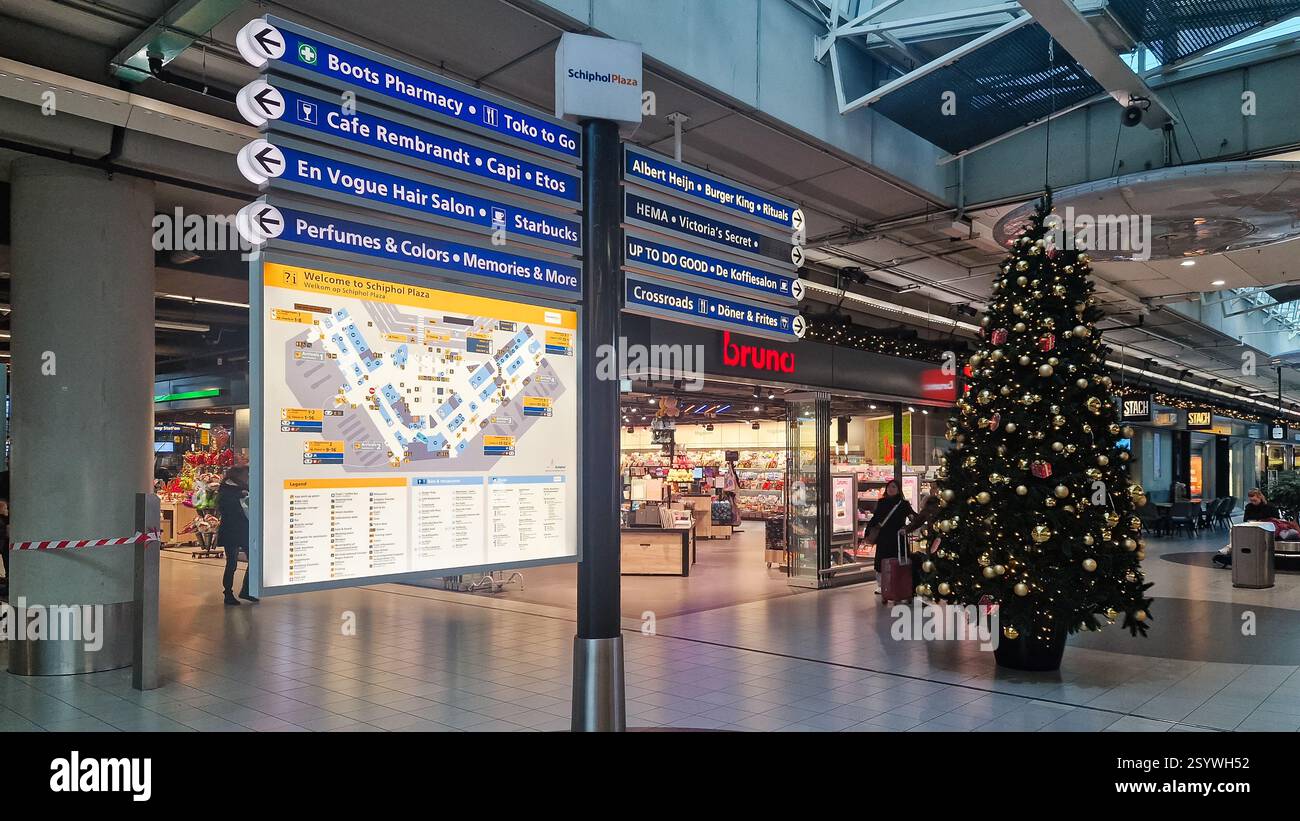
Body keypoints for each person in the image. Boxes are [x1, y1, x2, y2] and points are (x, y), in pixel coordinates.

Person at [216, 464, 257, 605]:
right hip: (232, 530)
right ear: (238, 475)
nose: (248, 477)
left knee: (253, 561)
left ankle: (247, 590)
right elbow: (223, 506)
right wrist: (240, 495)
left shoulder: (244, 488)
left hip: (242, 530)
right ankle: (228, 593)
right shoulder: (226, 489)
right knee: (232, 563)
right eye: (246, 474)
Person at [869, 479, 914, 595]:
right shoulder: (881, 502)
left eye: (894, 487)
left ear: (898, 489)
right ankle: (881, 585)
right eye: (889, 487)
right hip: (884, 536)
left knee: (899, 559)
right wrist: (869, 531)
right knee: (881, 561)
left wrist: (908, 528)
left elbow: (913, 517)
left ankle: (898, 583)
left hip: (898, 537)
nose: (891, 489)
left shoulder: (903, 504)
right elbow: (876, 518)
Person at [1213, 488, 1278, 568]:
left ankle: (1229, 548)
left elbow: (1275, 520)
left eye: (1255, 500)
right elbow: (1246, 519)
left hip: (1264, 529)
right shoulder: (1249, 507)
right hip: (1252, 526)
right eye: (1251, 501)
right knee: (1234, 530)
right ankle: (1230, 548)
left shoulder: (1269, 507)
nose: (1253, 503)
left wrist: (1259, 520)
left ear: (1260, 497)